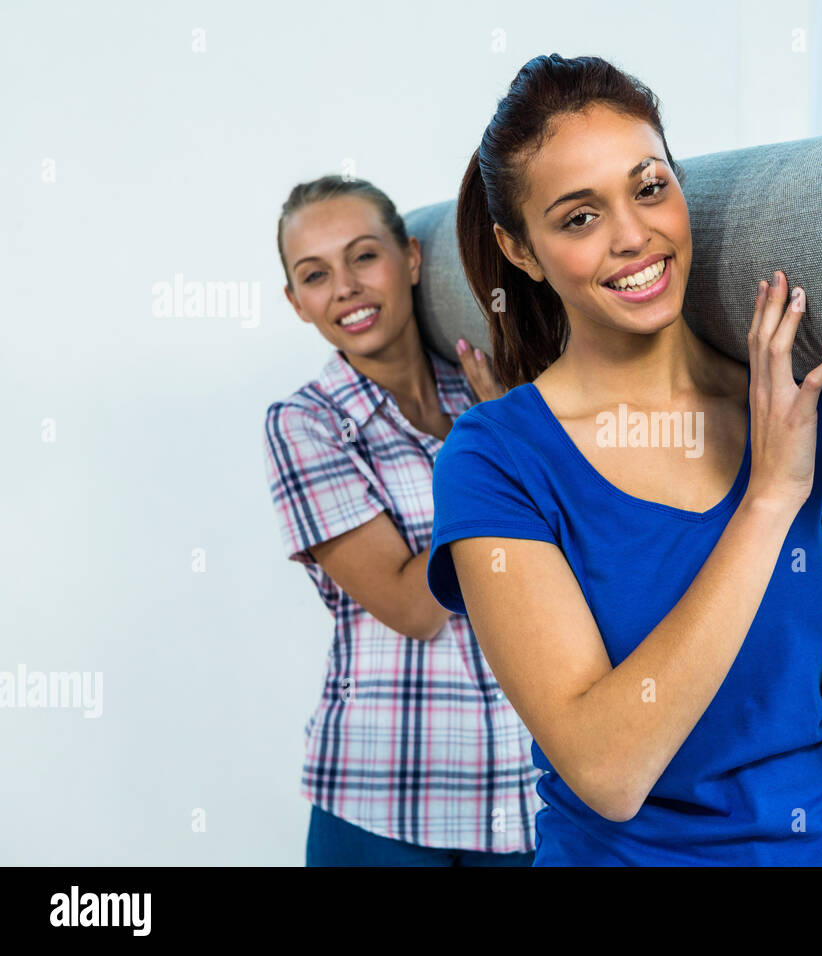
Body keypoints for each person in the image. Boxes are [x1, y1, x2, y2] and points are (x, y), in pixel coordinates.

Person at [426, 54, 822, 866]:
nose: (634, 236)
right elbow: (609, 770)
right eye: (578, 217)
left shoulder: (805, 400)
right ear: (519, 250)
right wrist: (769, 499)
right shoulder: (497, 458)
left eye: (648, 187)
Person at [262, 174, 542, 866]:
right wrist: (491, 451)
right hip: (385, 802)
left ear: (411, 259)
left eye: (364, 256)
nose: (347, 287)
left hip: (526, 787)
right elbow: (415, 607)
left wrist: (515, 426)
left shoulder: (488, 385)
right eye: (315, 274)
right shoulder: (306, 424)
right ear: (297, 303)